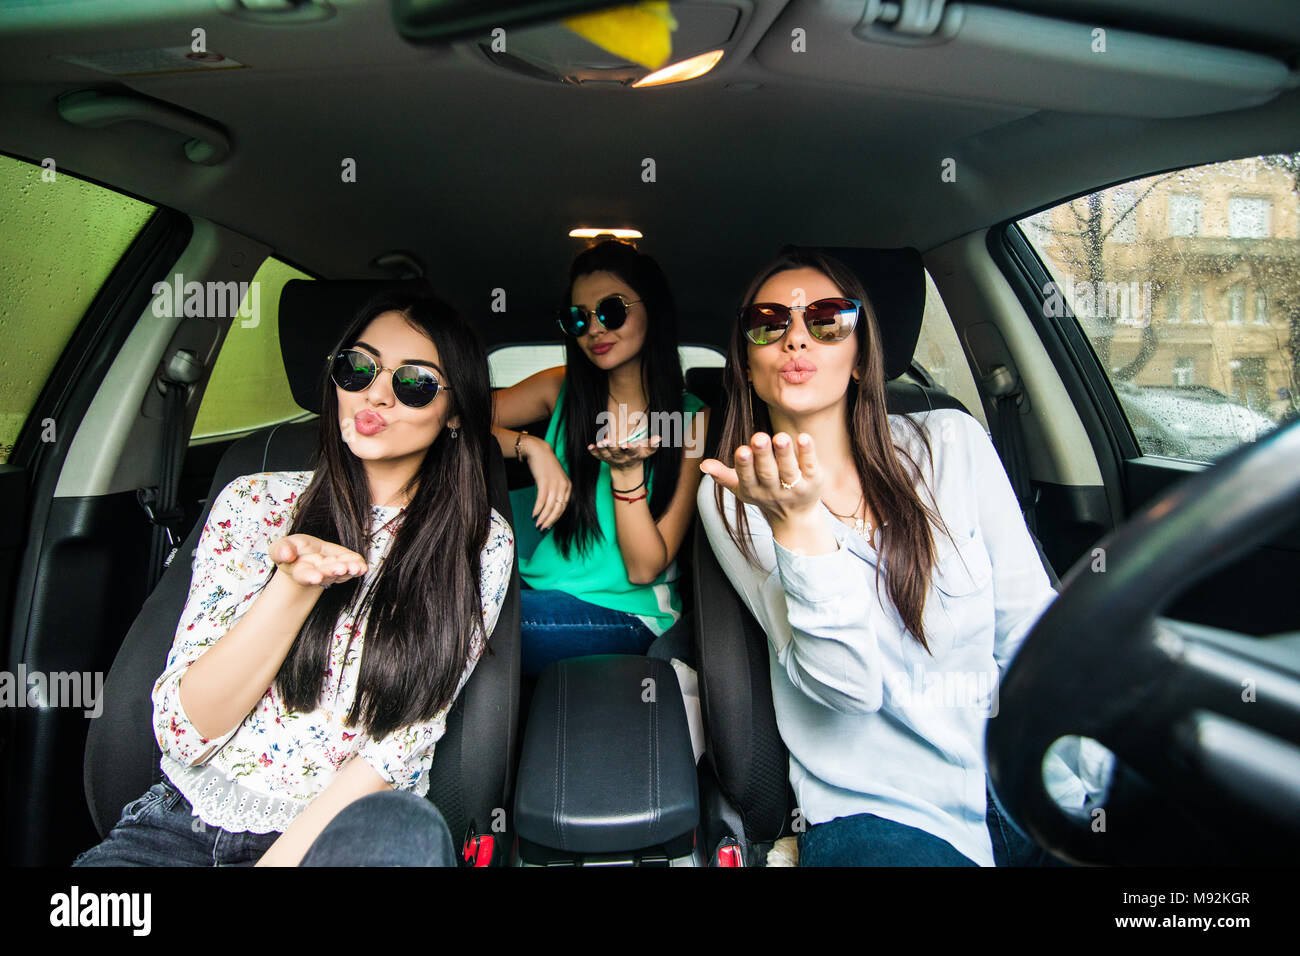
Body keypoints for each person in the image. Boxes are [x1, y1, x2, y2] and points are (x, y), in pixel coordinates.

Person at [698, 247, 1108, 867]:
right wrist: (799, 523)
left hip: (1022, 773)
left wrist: (1099, 764)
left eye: (828, 320)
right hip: (879, 812)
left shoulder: (953, 443)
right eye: (770, 322)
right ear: (748, 365)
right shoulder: (735, 494)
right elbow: (846, 688)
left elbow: (1032, 630)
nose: (796, 339)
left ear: (862, 357)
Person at [74, 291, 514, 866]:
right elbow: (186, 731)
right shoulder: (253, 502)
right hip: (179, 826)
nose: (375, 393)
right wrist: (293, 590)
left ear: (455, 413)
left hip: (350, 834)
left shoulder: (479, 539)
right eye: (358, 368)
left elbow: (401, 741)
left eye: (414, 383)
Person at [492, 240, 708, 676]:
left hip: (628, 615)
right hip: (533, 593)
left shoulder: (688, 419)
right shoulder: (561, 389)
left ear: (652, 310)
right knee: (450, 612)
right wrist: (529, 447)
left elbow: (646, 568)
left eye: (611, 310)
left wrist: (627, 474)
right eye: (578, 318)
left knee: (467, 627)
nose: (594, 328)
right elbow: (442, 417)